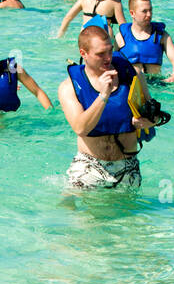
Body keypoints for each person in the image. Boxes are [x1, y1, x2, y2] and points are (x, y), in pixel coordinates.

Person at [57, 26, 163, 191]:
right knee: (76, 211)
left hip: (128, 164)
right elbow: (80, 127)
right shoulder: (69, 87)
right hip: (89, 165)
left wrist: (147, 122)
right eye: (100, 54)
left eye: (110, 51)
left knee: (132, 217)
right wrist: (104, 95)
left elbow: (154, 115)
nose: (108, 58)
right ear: (83, 53)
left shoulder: (132, 74)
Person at [115, 0, 174, 83]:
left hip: (155, 84)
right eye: (144, 11)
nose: (149, 14)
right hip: (131, 86)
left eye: (150, 10)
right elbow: (112, 63)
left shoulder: (161, 35)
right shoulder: (121, 37)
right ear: (132, 13)